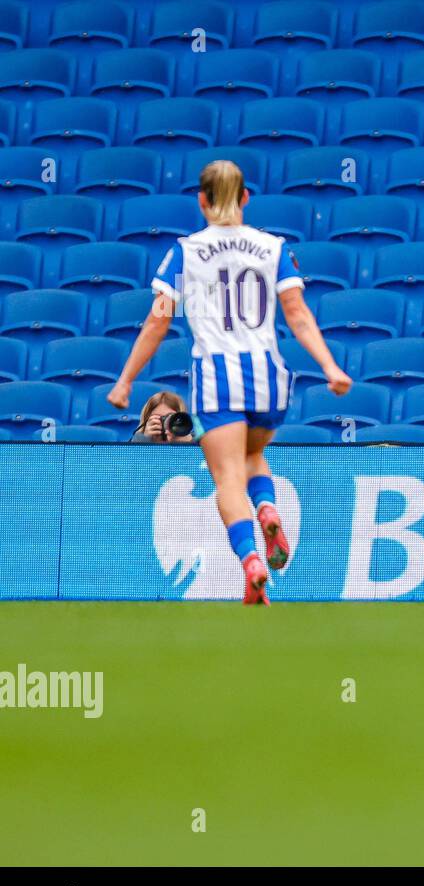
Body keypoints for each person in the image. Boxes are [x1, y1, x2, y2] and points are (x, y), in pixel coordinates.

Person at [107, 160, 351, 604]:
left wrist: (126, 381)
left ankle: (251, 560)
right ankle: (268, 508)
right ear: (245, 198)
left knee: (227, 479)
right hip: (267, 375)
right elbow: (297, 314)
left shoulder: (187, 250)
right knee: (254, 452)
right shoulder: (273, 247)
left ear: (201, 200)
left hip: (217, 377)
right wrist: (331, 367)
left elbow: (158, 322)